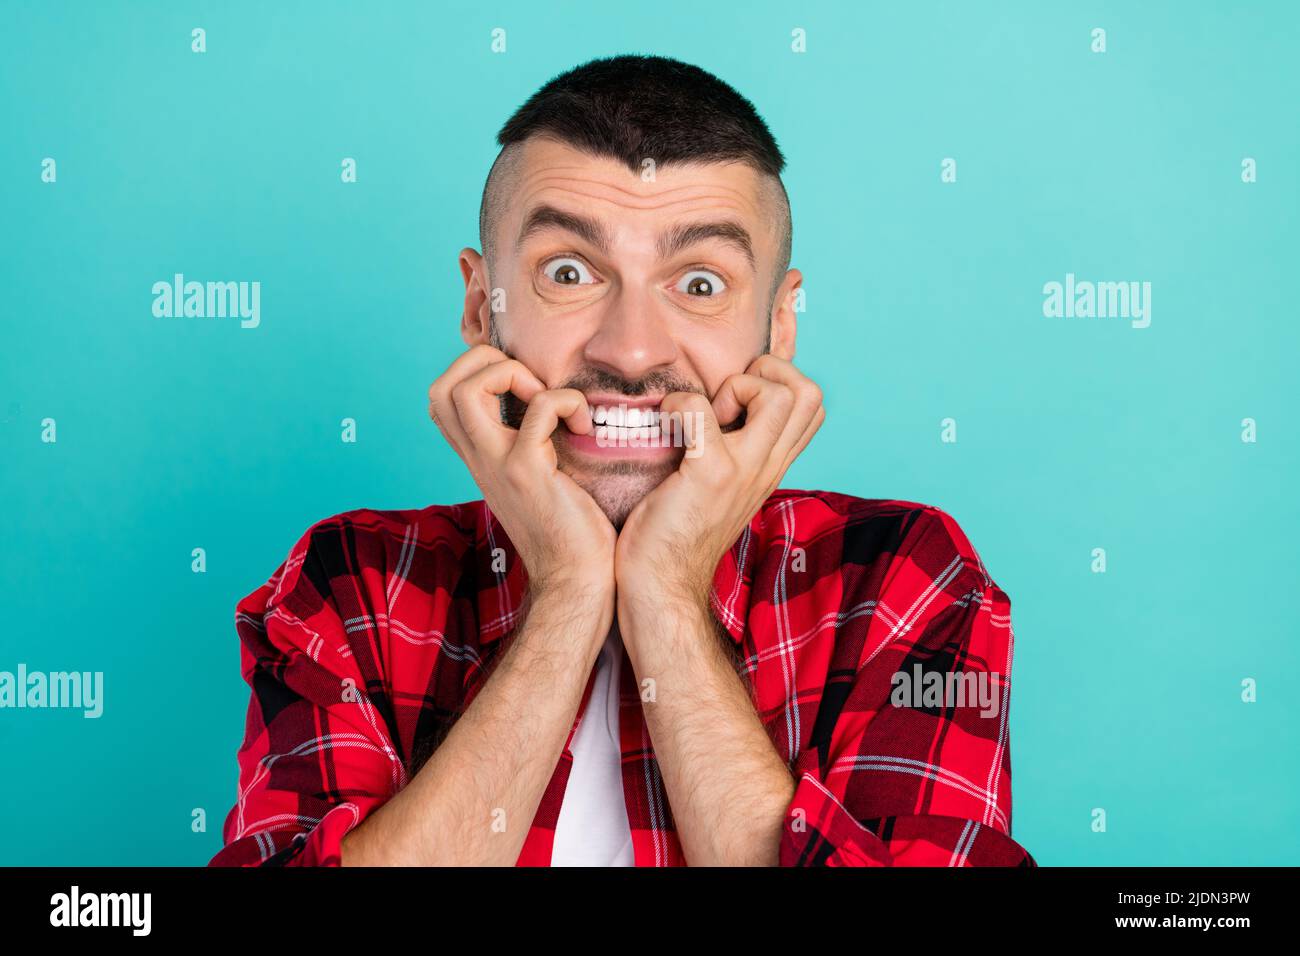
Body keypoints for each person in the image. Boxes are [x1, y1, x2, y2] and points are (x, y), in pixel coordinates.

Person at [209, 53, 1035, 867]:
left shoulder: (901, 582)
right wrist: (568, 595)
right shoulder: (353, 586)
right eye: (568, 272)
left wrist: (665, 588)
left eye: (701, 283)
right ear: (478, 305)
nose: (633, 352)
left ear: (779, 328)